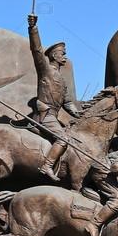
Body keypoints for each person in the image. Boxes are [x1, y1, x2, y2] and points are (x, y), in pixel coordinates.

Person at [27, 13, 83, 181]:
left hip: (54, 117)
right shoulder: (45, 70)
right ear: (53, 56)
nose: (65, 56)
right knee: (63, 139)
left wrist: (79, 113)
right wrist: (33, 28)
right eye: (62, 53)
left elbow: (67, 102)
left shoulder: (62, 80)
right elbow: (37, 50)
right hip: (44, 116)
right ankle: (47, 166)